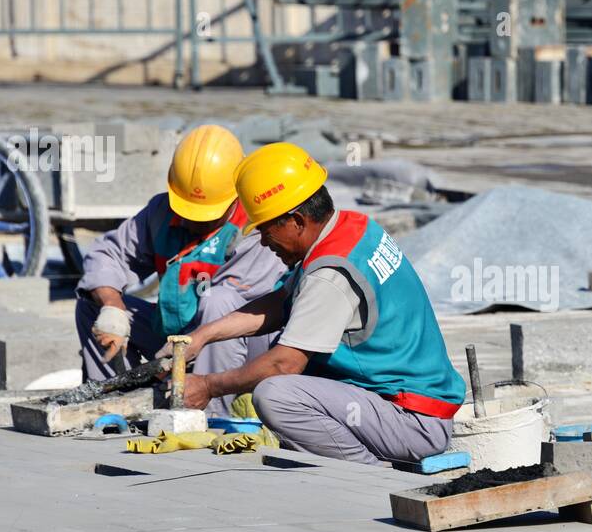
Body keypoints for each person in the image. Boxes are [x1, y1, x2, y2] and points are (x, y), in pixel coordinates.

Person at [175, 142, 465, 465]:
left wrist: (208, 385)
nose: (265, 243)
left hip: (412, 420)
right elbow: (281, 303)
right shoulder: (348, 226)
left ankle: (373, 474)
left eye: (267, 230)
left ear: (297, 221)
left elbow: (284, 365)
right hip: (405, 405)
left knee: (275, 396)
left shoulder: (330, 273)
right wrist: (204, 336)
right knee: (283, 347)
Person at [75, 124, 281, 414]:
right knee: (92, 306)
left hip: (234, 351)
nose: (193, 221)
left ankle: (211, 416)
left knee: (217, 301)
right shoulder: (161, 212)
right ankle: (110, 406)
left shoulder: (255, 230)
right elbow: (107, 254)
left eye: (207, 214)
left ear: (235, 195)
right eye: (187, 210)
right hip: (173, 337)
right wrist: (112, 306)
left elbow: (238, 314)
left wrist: (186, 354)